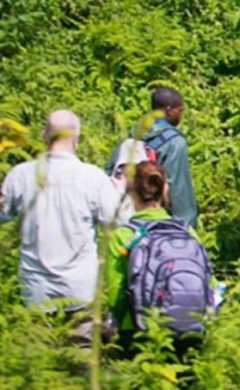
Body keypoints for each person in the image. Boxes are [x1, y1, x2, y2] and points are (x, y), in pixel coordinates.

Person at [0, 110, 119, 346]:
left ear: (45, 136)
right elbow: (114, 223)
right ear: (77, 138)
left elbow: (3, 214)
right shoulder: (92, 177)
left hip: (35, 289)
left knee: (38, 364)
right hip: (80, 287)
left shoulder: (20, 175)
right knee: (81, 360)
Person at [105, 161, 214, 359]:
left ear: (130, 192)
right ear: (165, 190)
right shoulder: (187, 232)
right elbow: (210, 282)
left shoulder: (123, 236)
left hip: (139, 329)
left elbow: (115, 295)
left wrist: (121, 325)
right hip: (190, 327)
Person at [108, 87, 198, 227]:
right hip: (156, 221)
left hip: (126, 219)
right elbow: (178, 189)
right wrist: (186, 225)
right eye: (180, 110)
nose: (181, 115)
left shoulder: (133, 134)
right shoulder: (174, 142)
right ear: (169, 110)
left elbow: (110, 170)